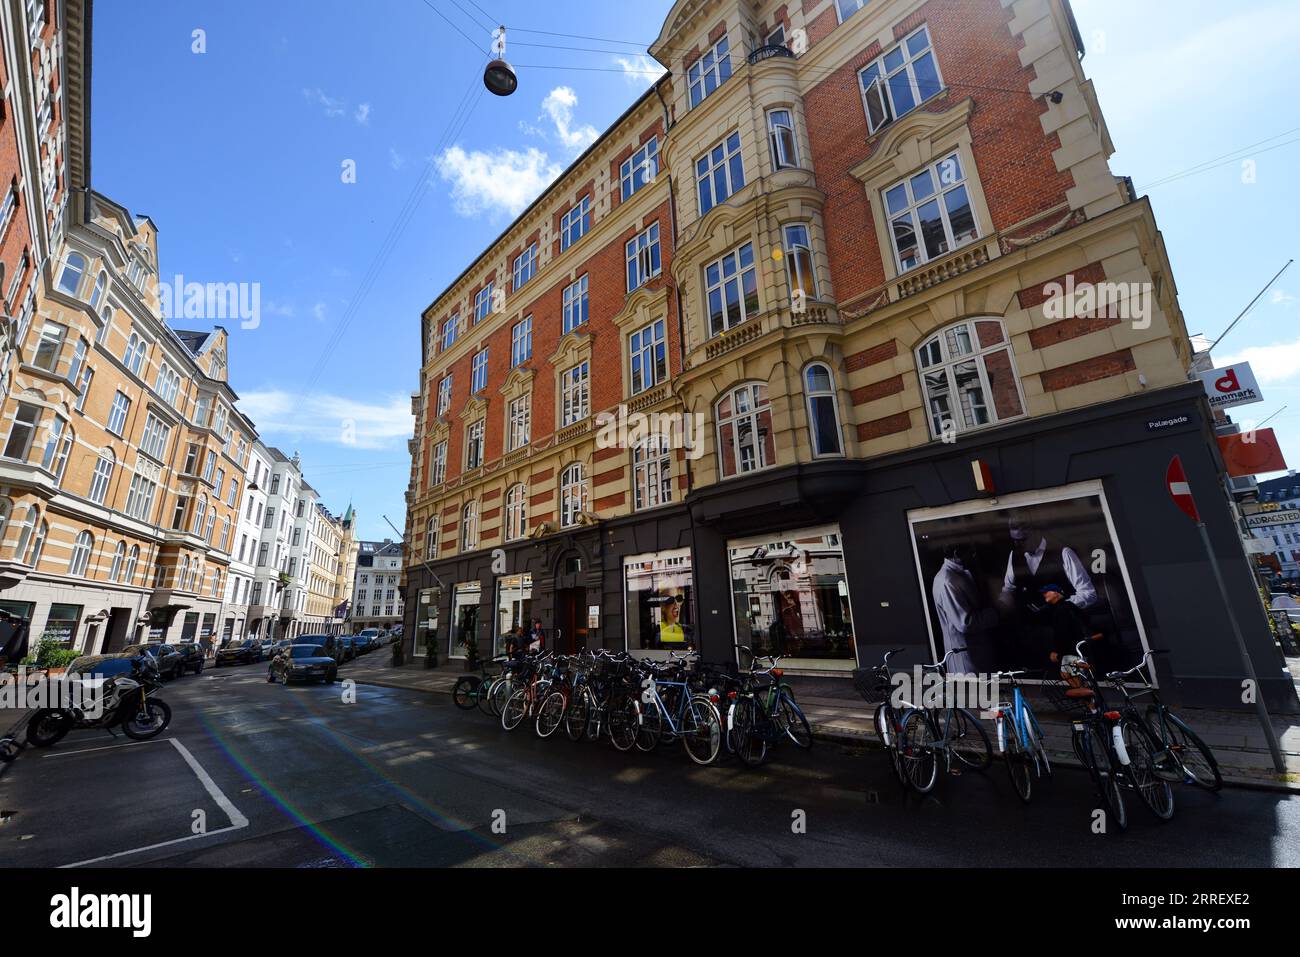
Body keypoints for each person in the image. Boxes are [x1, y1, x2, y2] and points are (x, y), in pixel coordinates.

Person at [999, 512, 1098, 611]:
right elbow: (1008, 589)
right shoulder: (1014, 555)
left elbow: (1089, 594)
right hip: (1031, 625)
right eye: (1014, 540)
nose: (1017, 544)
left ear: (1035, 532)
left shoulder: (1063, 553)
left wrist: (1060, 605)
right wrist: (1001, 605)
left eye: (1022, 540)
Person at [931, 543, 999, 674]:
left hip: (975, 655)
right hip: (967, 660)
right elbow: (965, 623)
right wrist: (996, 612)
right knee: (976, 693)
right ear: (957, 553)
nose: (974, 555)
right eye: (971, 551)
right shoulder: (948, 581)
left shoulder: (956, 576)